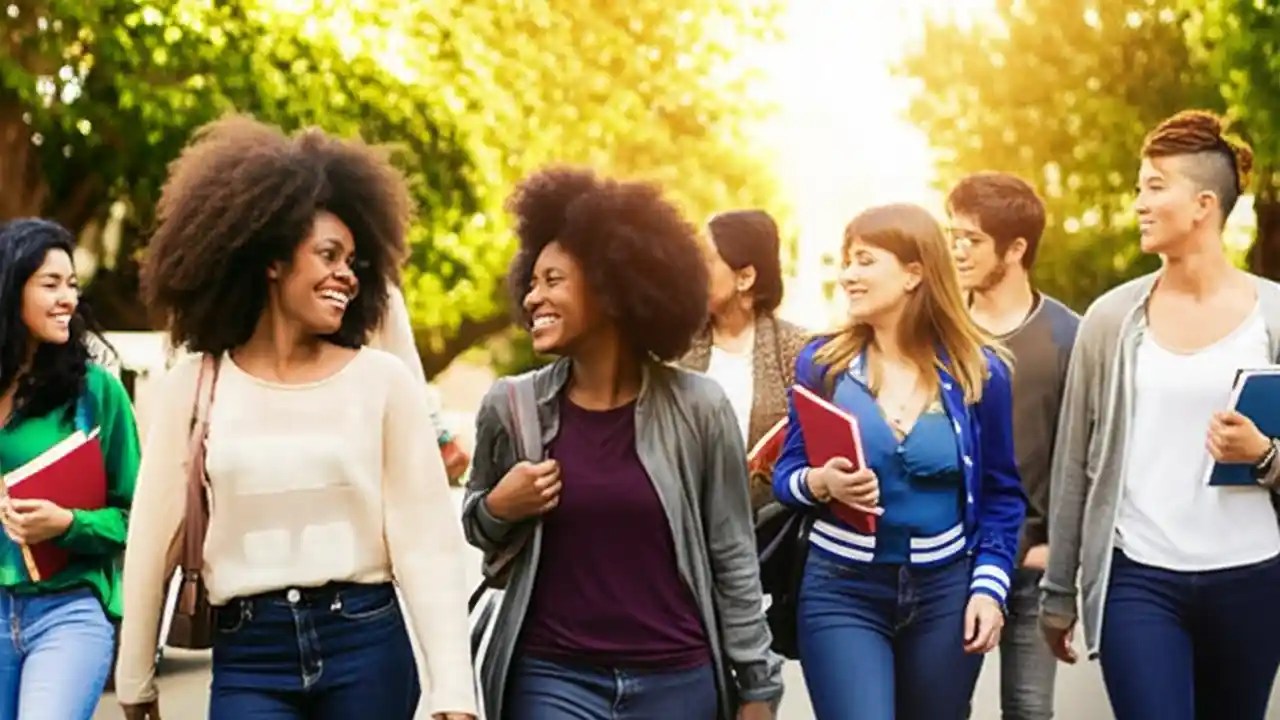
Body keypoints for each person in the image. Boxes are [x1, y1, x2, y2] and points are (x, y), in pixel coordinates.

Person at [114, 116, 476, 720]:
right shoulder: (194, 386)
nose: (345, 276)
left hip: (366, 644)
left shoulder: (382, 383)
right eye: (328, 255)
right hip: (249, 654)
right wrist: (135, 677)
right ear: (272, 261)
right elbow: (153, 541)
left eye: (353, 262)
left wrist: (454, 692)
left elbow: (426, 542)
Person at [462, 167, 784, 720]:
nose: (533, 297)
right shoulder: (511, 407)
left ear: (612, 288)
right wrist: (499, 506)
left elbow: (732, 555)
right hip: (551, 677)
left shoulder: (700, 408)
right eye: (531, 282)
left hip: (676, 680)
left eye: (553, 281)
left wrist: (758, 686)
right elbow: (476, 527)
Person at [1041, 110, 1280, 720]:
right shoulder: (1111, 320)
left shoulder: (1273, 315)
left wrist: (1265, 456)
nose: (1138, 201)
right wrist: (1059, 592)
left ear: (1203, 204)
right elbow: (1074, 460)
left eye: (1154, 186)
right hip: (1140, 578)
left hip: (1253, 578)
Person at [772, 203, 1026, 720]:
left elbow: (1002, 496)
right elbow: (785, 476)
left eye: (864, 261)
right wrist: (820, 483)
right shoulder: (822, 365)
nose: (848, 275)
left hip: (946, 593)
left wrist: (989, 588)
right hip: (840, 588)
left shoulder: (982, 372)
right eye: (847, 261)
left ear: (914, 273)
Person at [947, 172, 1079, 720]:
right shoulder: (939, 330)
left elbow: (1086, 458)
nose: (955, 250)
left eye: (970, 239)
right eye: (950, 235)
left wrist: (1061, 554)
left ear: (1017, 248)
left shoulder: (1069, 336)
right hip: (951, 563)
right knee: (939, 707)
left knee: (1028, 712)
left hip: (1032, 565)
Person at [0, 219, 141, 720]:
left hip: (69, 611)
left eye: (72, 286)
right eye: (51, 284)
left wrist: (69, 524)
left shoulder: (97, 394)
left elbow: (139, 519)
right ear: (10, 289)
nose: (67, 299)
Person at [679, 209, 808, 511]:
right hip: (687, 521)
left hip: (766, 529)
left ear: (745, 277)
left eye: (706, 261)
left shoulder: (797, 350)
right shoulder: (675, 346)